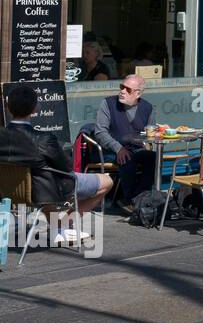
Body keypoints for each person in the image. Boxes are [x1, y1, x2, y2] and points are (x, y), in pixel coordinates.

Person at [0, 84, 111, 243]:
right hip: (43, 191)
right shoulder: (44, 139)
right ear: (35, 109)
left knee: (42, 177)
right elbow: (67, 167)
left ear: (9, 108)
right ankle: (62, 226)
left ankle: (58, 227)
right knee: (107, 181)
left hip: (10, 190)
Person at [93, 74, 157, 209]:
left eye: (128, 89)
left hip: (136, 148)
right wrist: (118, 148)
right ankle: (129, 200)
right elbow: (100, 132)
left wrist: (159, 131)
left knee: (153, 158)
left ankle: (138, 198)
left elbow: (149, 134)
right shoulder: (108, 104)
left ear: (137, 93)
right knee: (127, 158)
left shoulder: (148, 108)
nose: (122, 91)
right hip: (110, 149)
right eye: (122, 87)